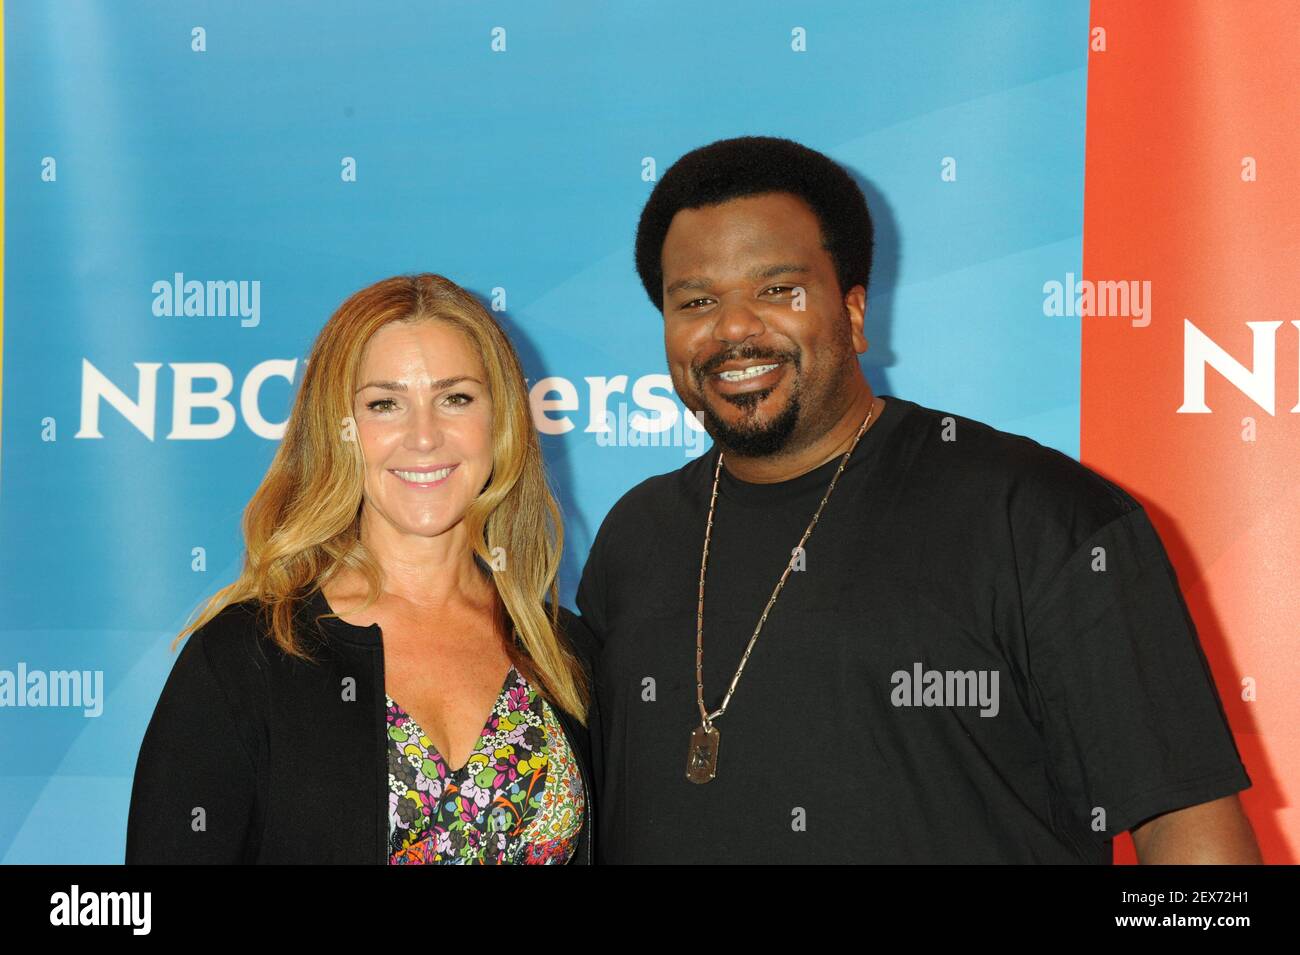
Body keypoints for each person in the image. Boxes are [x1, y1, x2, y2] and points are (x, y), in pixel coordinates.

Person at [575, 135, 1261, 864]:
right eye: (698, 301)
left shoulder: (1042, 515)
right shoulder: (633, 540)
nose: (735, 327)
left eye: (778, 289)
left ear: (855, 310)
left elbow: (1191, 836)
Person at [127, 273, 596, 864]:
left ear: (499, 421)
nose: (424, 437)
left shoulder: (564, 652)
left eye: (456, 398)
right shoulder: (246, 655)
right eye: (384, 404)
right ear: (339, 432)